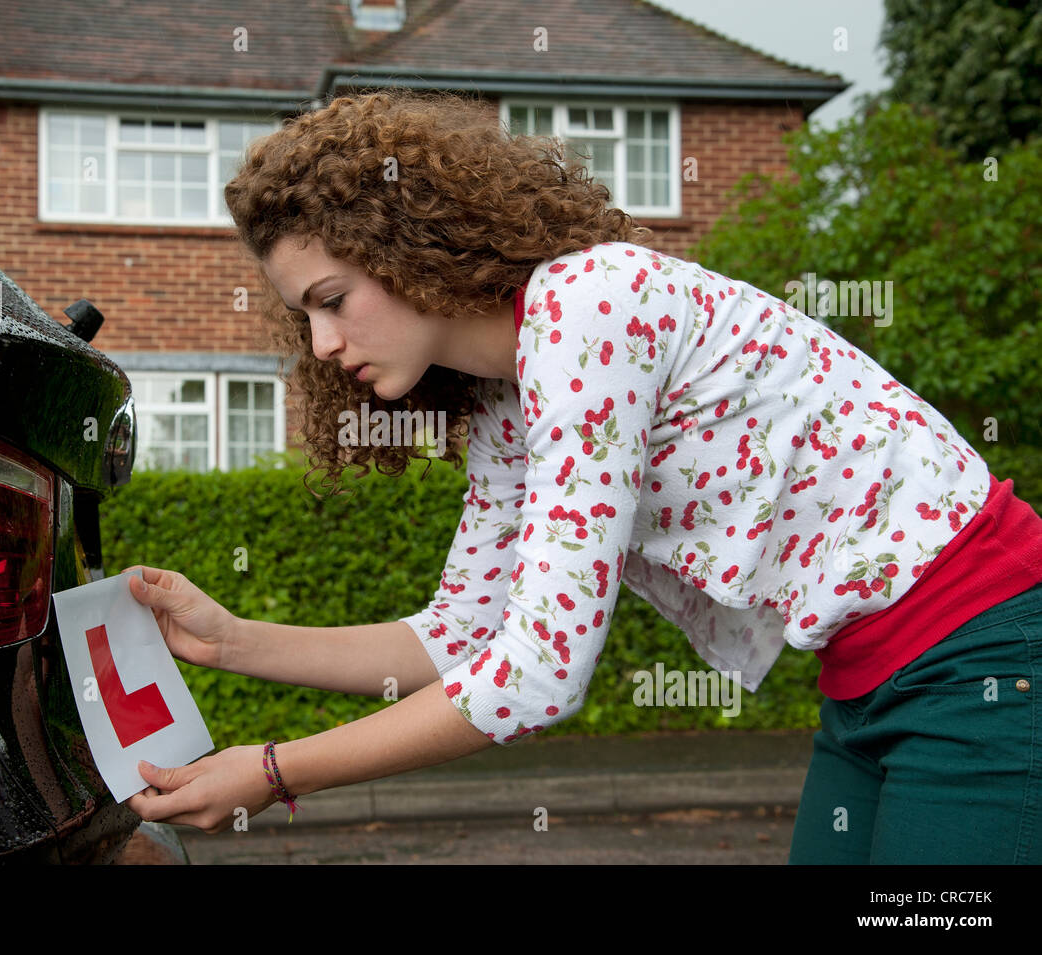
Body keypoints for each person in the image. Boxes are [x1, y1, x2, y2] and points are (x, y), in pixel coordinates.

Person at [123, 89, 1042, 863]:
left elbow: (538, 675)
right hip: (866, 678)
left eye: (332, 301)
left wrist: (277, 770)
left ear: (403, 244)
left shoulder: (587, 307)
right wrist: (236, 639)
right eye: (304, 317)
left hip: (986, 652)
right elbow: (459, 636)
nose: (322, 345)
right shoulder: (507, 401)